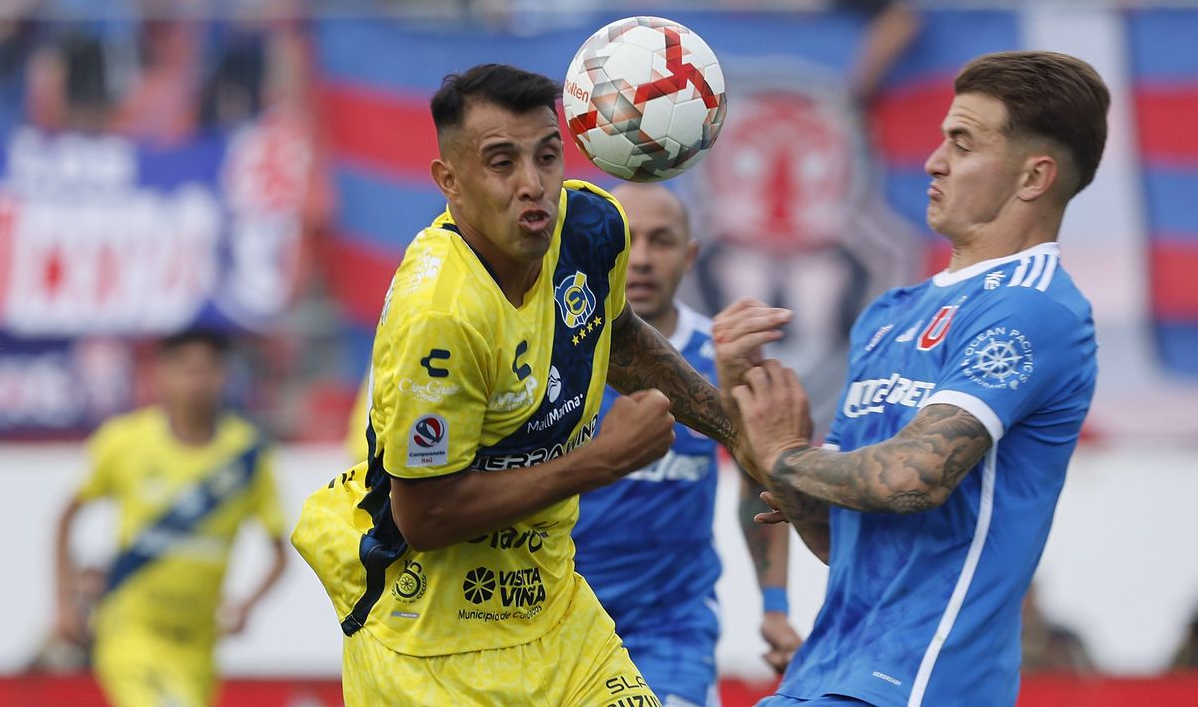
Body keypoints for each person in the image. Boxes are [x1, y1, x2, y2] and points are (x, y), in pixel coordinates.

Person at [290, 63, 749, 706]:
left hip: (559, 616)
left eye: (548, 155)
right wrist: (603, 460)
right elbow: (425, 514)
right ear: (450, 180)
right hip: (430, 644)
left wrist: (740, 432)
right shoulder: (439, 313)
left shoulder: (591, 228)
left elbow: (614, 333)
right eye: (501, 163)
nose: (534, 186)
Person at [714, 50, 1109, 706]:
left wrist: (787, 456)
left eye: (962, 142)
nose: (934, 161)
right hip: (823, 676)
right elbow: (839, 539)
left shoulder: (1033, 308)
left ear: (1033, 176)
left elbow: (911, 477)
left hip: (926, 683)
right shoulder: (889, 316)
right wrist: (740, 395)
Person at [573, 182, 803, 706]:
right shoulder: (557, 357)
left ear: (690, 255)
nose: (644, 259)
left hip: (672, 629)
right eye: (627, 241)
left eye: (663, 241)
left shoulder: (722, 361)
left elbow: (756, 491)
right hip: (561, 618)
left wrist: (774, 606)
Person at [53, 329, 289, 707]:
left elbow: (280, 552)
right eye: (187, 369)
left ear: (224, 376)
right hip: (130, 634)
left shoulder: (246, 456)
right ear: (162, 375)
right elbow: (67, 515)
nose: (197, 382)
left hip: (198, 645)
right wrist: (64, 605)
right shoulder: (125, 441)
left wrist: (247, 605)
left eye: (208, 369)